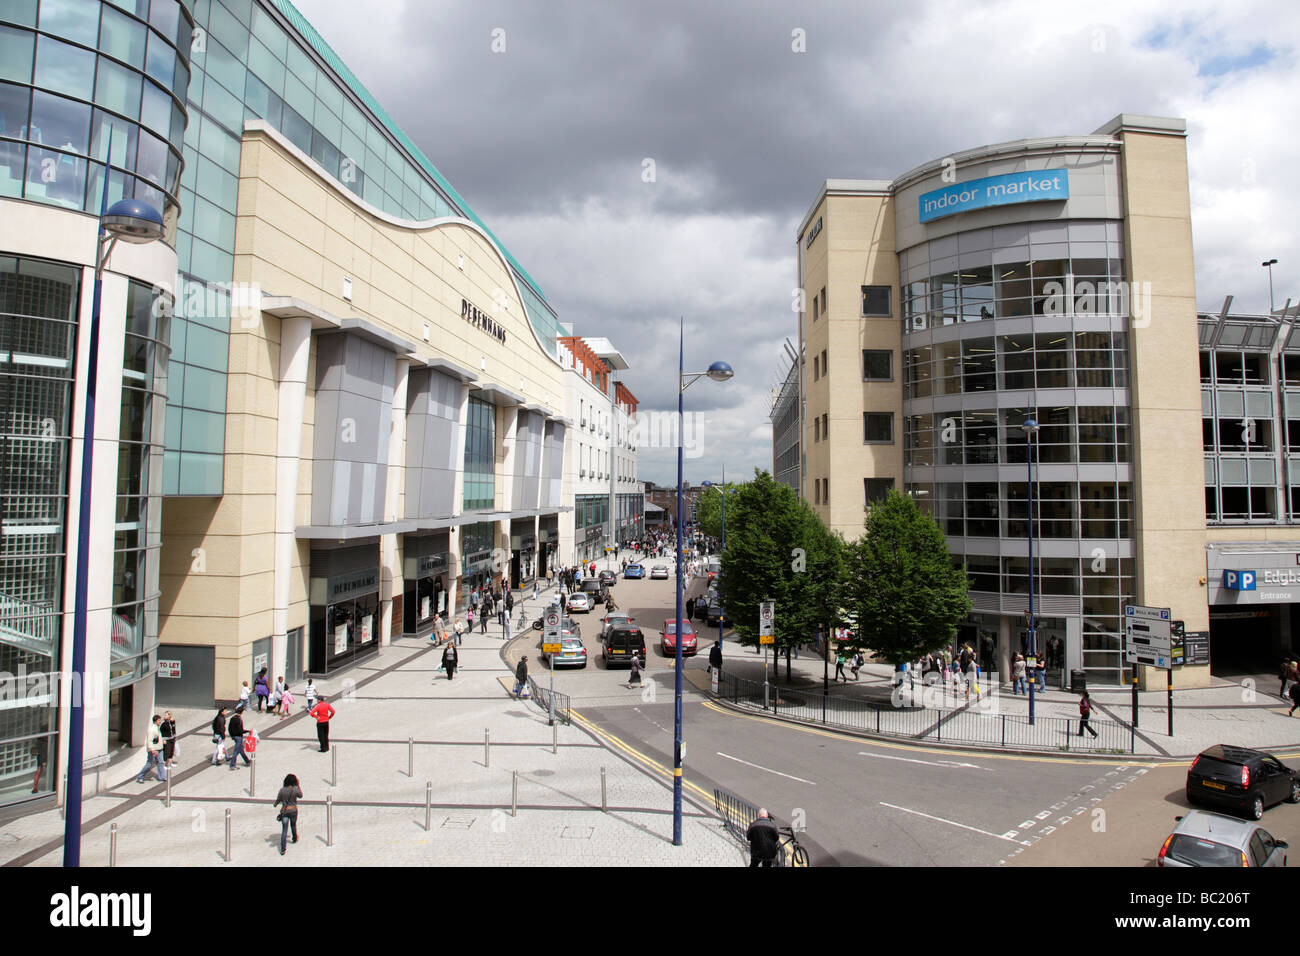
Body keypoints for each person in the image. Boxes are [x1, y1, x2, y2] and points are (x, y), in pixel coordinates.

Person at [274, 773, 303, 856]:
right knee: (293, 825)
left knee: (284, 829)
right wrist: (298, 785)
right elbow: (301, 795)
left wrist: (275, 804)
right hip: (293, 810)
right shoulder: (295, 789)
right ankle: (294, 838)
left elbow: (278, 799)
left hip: (285, 811)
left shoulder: (282, 790)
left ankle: (283, 849)